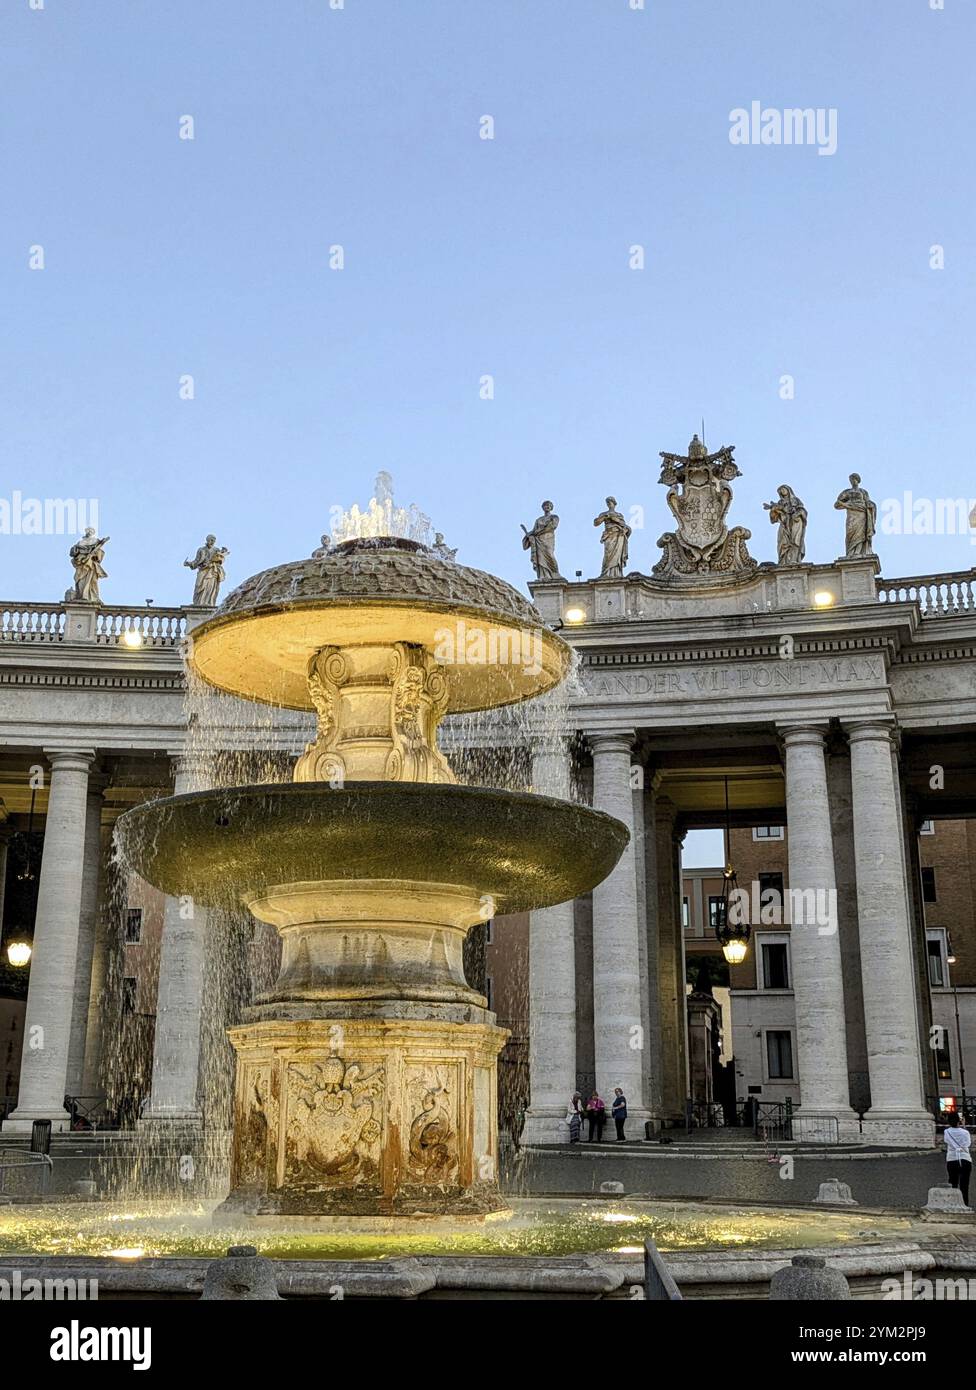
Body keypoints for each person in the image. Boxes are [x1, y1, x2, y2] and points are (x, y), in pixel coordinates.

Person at [944, 1110, 972, 1206]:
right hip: (965, 1159)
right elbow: (967, 1144)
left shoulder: (946, 1132)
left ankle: (953, 1204)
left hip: (952, 1159)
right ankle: (965, 1205)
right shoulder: (965, 1133)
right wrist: (963, 1127)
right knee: (964, 1185)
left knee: (953, 1183)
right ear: (958, 1120)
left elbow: (947, 1141)